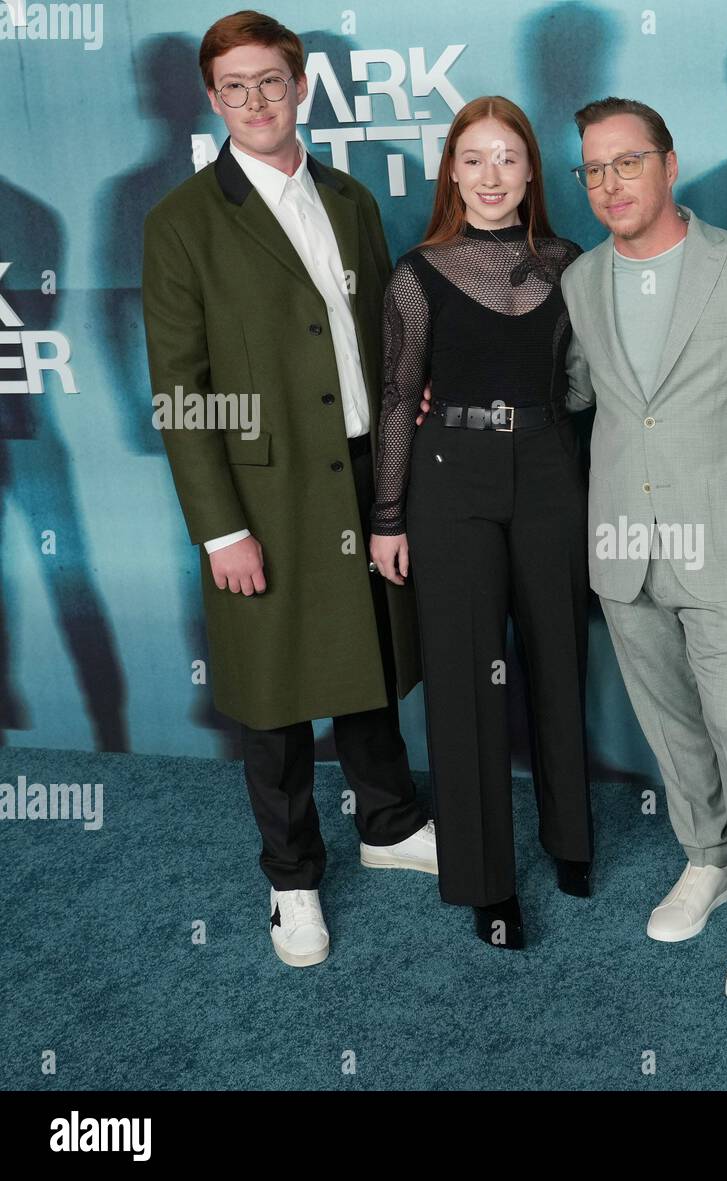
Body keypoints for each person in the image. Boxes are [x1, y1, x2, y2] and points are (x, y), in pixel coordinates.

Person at [142, 11, 436, 969]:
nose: (257, 102)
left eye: (272, 82)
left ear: (301, 87)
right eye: (236, 88)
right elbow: (179, 390)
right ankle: (293, 877)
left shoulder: (349, 198)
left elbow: (384, 329)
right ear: (213, 99)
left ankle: (388, 824)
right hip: (260, 491)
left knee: (370, 659)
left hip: (360, 468)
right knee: (273, 695)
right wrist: (220, 528)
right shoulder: (181, 222)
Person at [563, 98, 727, 1001]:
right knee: (669, 721)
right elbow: (584, 395)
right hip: (622, 542)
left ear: (669, 163)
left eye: (627, 162)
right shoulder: (580, 282)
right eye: (592, 169)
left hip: (723, 543)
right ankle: (709, 858)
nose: (610, 183)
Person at [369, 97, 591, 951]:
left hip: (547, 467)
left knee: (558, 653)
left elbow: (589, 382)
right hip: (446, 476)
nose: (492, 176)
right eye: (474, 159)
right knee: (466, 678)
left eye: (508, 158)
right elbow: (397, 396)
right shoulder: (416, 272)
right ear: (452, 173)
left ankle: (571, 838)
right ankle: (486, 882)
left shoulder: (572, 264)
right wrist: (387, 516)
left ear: (531, 170)